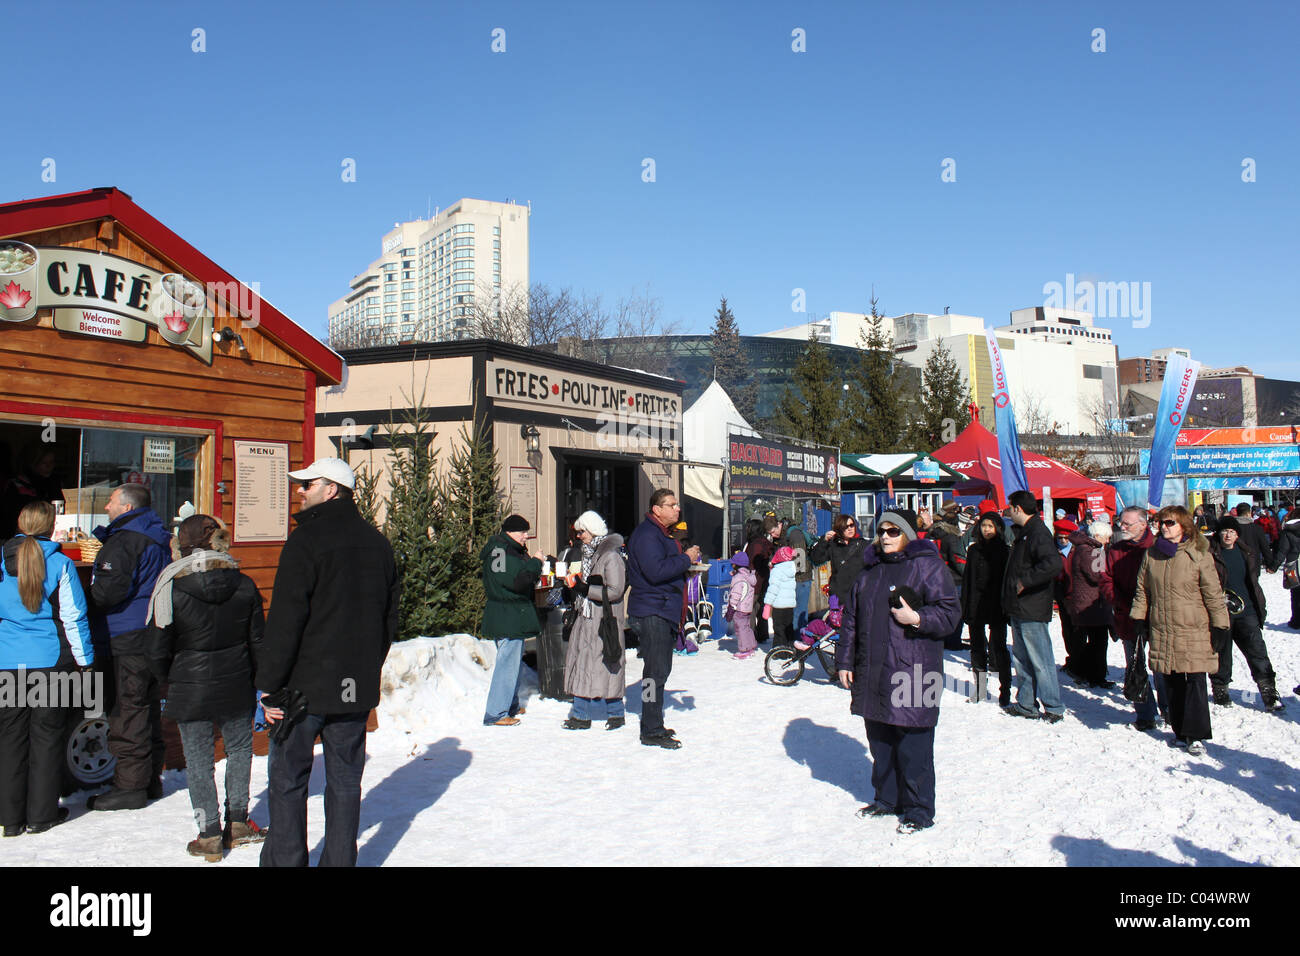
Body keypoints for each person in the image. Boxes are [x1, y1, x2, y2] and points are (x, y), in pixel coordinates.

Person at [258, 457, 398, 867]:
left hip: (302, 689)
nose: (299, 491)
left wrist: (268, 684)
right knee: (344, 783)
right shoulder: (378, 543)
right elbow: (388, 618)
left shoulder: (306, 541)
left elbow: (286, 619)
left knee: (287, 781)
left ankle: (286, 862)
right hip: (353, 686)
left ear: (332, 489)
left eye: (308, 484)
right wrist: (368, 665)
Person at [145, 514, 266, 861]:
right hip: (236, 680)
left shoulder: (171, 587)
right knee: (240, 750)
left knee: (199, 761)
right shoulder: (243, 584)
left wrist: (170, 677)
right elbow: (259, 639)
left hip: (189, 683)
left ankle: (210, 833)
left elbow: (155, 649)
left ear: (182, 545)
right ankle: (238, 822)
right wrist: (259, 679)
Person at [836, 509, 960, 834]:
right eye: (882, 531)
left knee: (913, 743)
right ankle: (887, 799)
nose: (886, 537)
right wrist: (845, 662)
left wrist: (918, 619)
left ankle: (919, 810)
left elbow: (950, 612)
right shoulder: (869, 573)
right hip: (873, 670)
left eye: (893, 531)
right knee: (880, 740)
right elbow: (850, 622)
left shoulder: (927, 566)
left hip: (915, 670)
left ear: (907, 533)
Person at [0, 501, 92, 836]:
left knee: (9, 739)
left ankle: (9, 820)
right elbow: (73, 618)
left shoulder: (1, 561)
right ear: (52, 526)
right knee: (46, 738)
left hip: (8, 663)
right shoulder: (60, 564)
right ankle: (41, 815)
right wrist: (86, 662)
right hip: (50, 663)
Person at [87, 483, 173, 811]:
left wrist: (85, 600)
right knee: (147, 704)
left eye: (110, 502)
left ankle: (129, 786)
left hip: (126, 632)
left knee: (128, 708)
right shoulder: (156, 533)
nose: (106, 507)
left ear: (125, 507)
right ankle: (149, 778)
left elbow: (109, 592)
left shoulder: (125, 540)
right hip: (152, 630)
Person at [1129, 505, 1227, 756]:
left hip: (1193, 626)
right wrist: (1139, 619)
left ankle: (1196, 734)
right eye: (1161, 522)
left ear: (1183, 524)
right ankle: (1180, 731)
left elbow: (1213, 592)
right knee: (1170, 677)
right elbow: (1143, 590)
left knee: (1194, 678)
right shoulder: (1153, 554)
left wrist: (1220, 624)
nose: (1163, 527)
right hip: (1162, 626)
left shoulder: (1198, 552)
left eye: (1170, 523)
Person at [626, 488, 700, 749]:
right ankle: (650, 728)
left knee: (659, 671)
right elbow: (656, 572)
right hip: (652, 610)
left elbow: (662, 570)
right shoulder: (647, 535)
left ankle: (653, 722)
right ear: (657, 509)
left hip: (662, 608)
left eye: (677, 504)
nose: (677, 509)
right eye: (671, 505)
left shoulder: (659, 533)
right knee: (654, 674)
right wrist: (685, 559)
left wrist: (684, 570)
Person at [1002, 490, 1066, 723]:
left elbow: (1053, 564)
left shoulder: (1038, 532)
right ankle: (1027, 703)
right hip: (1020, 607)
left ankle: (1053, 706)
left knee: (1040, 660)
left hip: (1032, 607)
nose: (1008, 512)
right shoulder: (1025, 532)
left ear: (1018, 508)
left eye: (1010, 507)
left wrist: (1024, 582)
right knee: (1022, 659)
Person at [1208, 517, 1284, 712]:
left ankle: (1268, 691)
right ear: (1218, 533)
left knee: (1257, 652)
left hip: (1247, 609)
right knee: (1221, 653)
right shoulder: (1209, 553)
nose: (1227, 535)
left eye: (1231, 532)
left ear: (1237, 534)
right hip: (1220, 611)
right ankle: (1220, 688)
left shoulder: (1247, 552)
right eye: (1224, 531)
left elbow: (1253, 580)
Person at [1101, 507, 1167, 730]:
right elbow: (1105, 578)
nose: (1122, 527)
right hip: (1127, 615)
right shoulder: (1115, 548)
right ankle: (1146, 714)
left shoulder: (1157, 547)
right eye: (1121, 523)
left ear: (1143, 524)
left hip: (1156, 617)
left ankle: (1168, 709)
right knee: (1135, 666)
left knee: (1161, 667)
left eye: (1127, 524)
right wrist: (1118, 602)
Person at [562, 511, 628, 731]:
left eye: (582, 531)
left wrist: (586, 589)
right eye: (578, 532)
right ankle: (581, 714)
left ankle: (616, 712)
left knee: (609, 661)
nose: (579, 536)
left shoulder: (610, 556)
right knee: (583, 663)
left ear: (593, 530)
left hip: (604, 620)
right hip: (586, 617)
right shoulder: (588, 554)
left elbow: (616, 590)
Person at [480, 514, 545, 726]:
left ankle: (510, 706)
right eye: (522, 532)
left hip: (512, 613)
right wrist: (536, 563)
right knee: (507, 663)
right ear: (509, 532)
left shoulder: (510, 550)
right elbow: (513, 582)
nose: (526, 536)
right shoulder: (499, 551)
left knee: (513, 661)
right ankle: (496, 713)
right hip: (507, 614)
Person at [961, 511, 1010, 705]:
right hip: (976, 605)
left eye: (990, 526)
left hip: (997, 605)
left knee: (998, 648)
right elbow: (967, 580)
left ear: (997, 528)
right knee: (977, 648)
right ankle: (980, 688)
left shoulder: (1005, 551)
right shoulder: (974, 550)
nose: (987, 530)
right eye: (984, 526)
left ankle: (1005, 688)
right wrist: (965, 605)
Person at [1067, 521, 1114, 689]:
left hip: (1090, 602)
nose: (1108, 541)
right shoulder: (1090, 551)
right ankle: (1093, 675)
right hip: (1091, 604)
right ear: (1097, 536)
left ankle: (1089, 673)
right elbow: (1097, 576)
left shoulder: (1085, 549)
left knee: (1096, 641)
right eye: (1106, 537)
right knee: (1098, 642)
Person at [0, 445, 65, 540]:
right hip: (19, 538)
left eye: (51, 462)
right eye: (44, 463)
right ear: (33, 463)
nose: (49, 466)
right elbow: (9, 519)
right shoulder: (17, 485)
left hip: (49, 535)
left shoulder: (54, 483)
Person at [927, 502, 968, 650]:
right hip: (953, 578)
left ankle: (940, 637)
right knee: (956, 611)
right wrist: (967, 574)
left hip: (934, 577)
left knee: (939, 610)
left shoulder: (930, 532)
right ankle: (953, 641)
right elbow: (956, 559)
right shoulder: (951, 537)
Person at [808, 514, 868, 610]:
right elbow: (816, 559)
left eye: (851, 525)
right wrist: (824, 541)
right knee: (838, 623)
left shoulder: (863, 544)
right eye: (845, 527)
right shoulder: (834, 545)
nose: (850, 529)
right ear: (839, 528)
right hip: (839, 595)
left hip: (858, 593)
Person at [1053, 517, 1083, 682]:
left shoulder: (1077, 551)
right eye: (1060, 538)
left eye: (1066, 538)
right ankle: (1071, 658)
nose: (1063, 541)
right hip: (1062, 596)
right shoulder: (1053, 551)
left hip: (1077, 597)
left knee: (1077, 632)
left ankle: (1079, 662)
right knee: (1067, 631)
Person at [725, 552, 759, 659]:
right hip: (747, 607)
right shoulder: (748, 576)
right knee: (746, 627)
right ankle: (751, 646)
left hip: (739, 608)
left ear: (736, 565)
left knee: (740, 629)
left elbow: (736, 593)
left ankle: (744, 650)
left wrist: (732, 605)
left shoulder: (738, 578)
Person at [763, 546, 797, 647]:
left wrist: (767, 604)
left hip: (779, 606)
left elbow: (773, 589)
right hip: (790, 606)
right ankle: (790, 649)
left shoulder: (777, 571)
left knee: (779, 629)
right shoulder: (792, 568)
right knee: (788, 628)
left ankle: (779, 651)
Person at [1273, 507, 1300, 629]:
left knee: (1294, 594)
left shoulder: (1287, 531)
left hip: (1292, 566)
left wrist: (1274, 566)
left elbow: (1282, 551)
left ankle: (1296, 620)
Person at [784, 519, 813, 630]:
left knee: (799, 612)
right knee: (800, 611)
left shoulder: (795, 535)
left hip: (801, 579)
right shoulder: (793, 534)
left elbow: (799, 563)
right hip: (802, 578)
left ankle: (799, 639)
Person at [1233, 503, 1275, 570]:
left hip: (1236, 563)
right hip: (1254, 564)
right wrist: (1270, 564)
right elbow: (1265, 547)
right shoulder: (1257, 528)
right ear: (1249, 513)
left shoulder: (1232, 529)